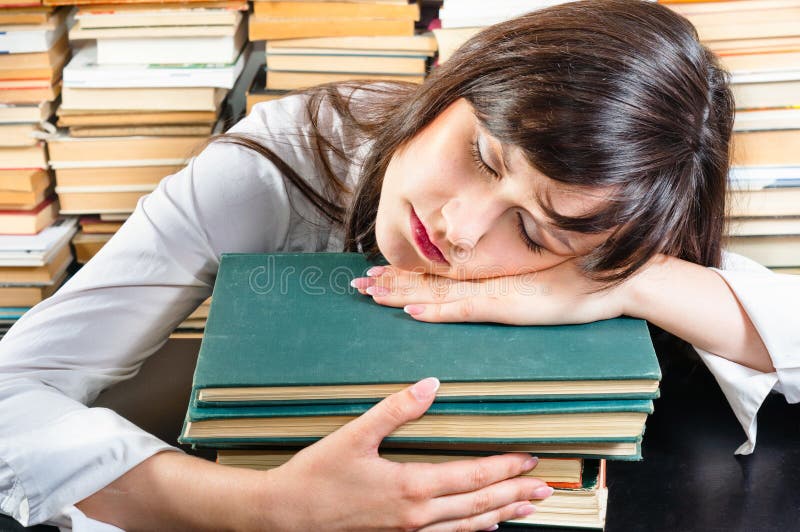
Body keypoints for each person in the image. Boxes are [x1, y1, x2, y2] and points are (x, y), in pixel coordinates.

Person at [1, 0, 798, 529]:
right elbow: (11, 397)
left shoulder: (609, 206)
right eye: (482, 158)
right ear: (457, 88)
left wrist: (632, 277)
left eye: (533, 230)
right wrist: (259, 506)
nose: (456, 227)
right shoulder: (278, 162)